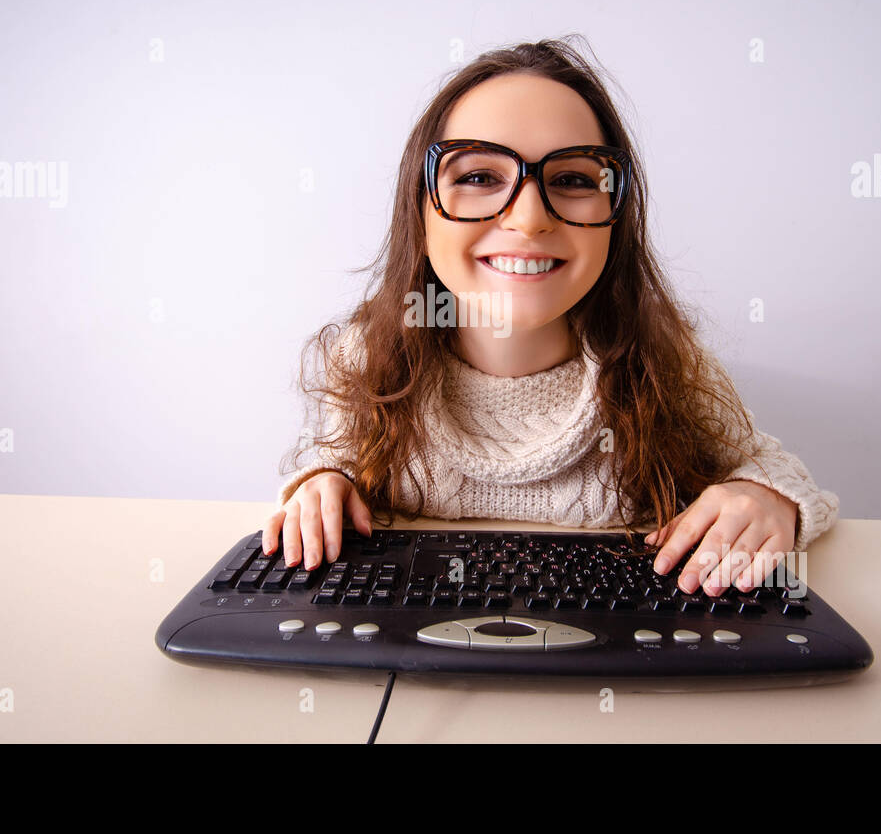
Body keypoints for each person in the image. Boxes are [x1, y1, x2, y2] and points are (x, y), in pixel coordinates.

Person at [264, 36, 838, 598]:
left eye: (571, 180)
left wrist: (765, 498)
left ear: (618, 215)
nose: (530, 218)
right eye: (479, 177)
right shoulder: (368, 360)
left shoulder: (666, 363)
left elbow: (769, 468)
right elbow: (331, 461)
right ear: (419, 208)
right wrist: (321, 484)